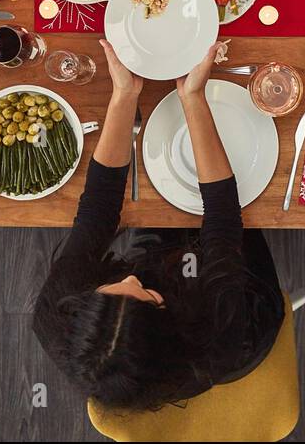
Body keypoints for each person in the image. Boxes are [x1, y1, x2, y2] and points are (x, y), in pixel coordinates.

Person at [33, 41, 285, 410]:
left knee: (161, 239)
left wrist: (124, 95)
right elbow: (223, 219)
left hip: (157, 299)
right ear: (169, 322)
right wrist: (193, 98)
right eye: (145, 293)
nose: (131, 276)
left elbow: (98, 212)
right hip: (244, 310)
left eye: (115, 285)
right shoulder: (219, 336)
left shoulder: (57, 313)